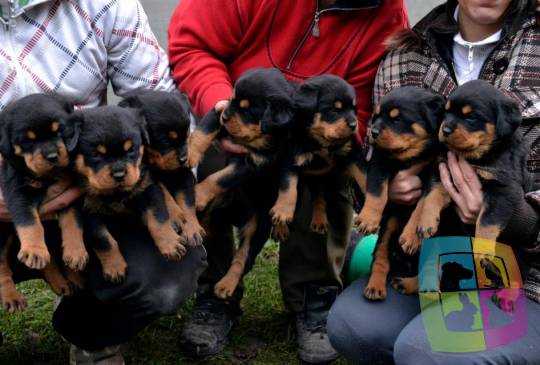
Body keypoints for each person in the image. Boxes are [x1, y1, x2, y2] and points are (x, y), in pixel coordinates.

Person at [167, 0, 408, 363]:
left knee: (331, 172)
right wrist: (220, 104)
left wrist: (331, 146)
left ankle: (313, 295)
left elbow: (366, 95)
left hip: (315, 132)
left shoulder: (385, 10)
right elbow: (192, 46)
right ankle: (216, 295)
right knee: (211, 165)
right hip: (239, 118)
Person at [327, 0, 540, 363]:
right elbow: (372, 159)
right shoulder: (403, 55)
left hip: (525, 271)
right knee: (353, 328)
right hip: (428, 258)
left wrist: (519, 218)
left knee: (427, 351)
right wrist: (386, 194)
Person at [0, 1, 207, 364]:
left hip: (91, 190)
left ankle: (89, 333)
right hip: (17, 197)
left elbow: (160, 101)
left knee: (164, 276)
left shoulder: (104, 4)